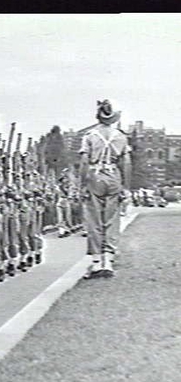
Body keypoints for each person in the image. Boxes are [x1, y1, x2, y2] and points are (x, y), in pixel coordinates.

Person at [79, 99, 131, 279]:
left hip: (95, 175)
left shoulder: (90, 136)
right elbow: (126, 163)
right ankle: (108, 261)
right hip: (114, 174)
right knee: (112, 219)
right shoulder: (121, 137)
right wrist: (126, 186)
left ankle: (95, 263)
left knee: (94, 220)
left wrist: (82, 184)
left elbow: (84, 162)